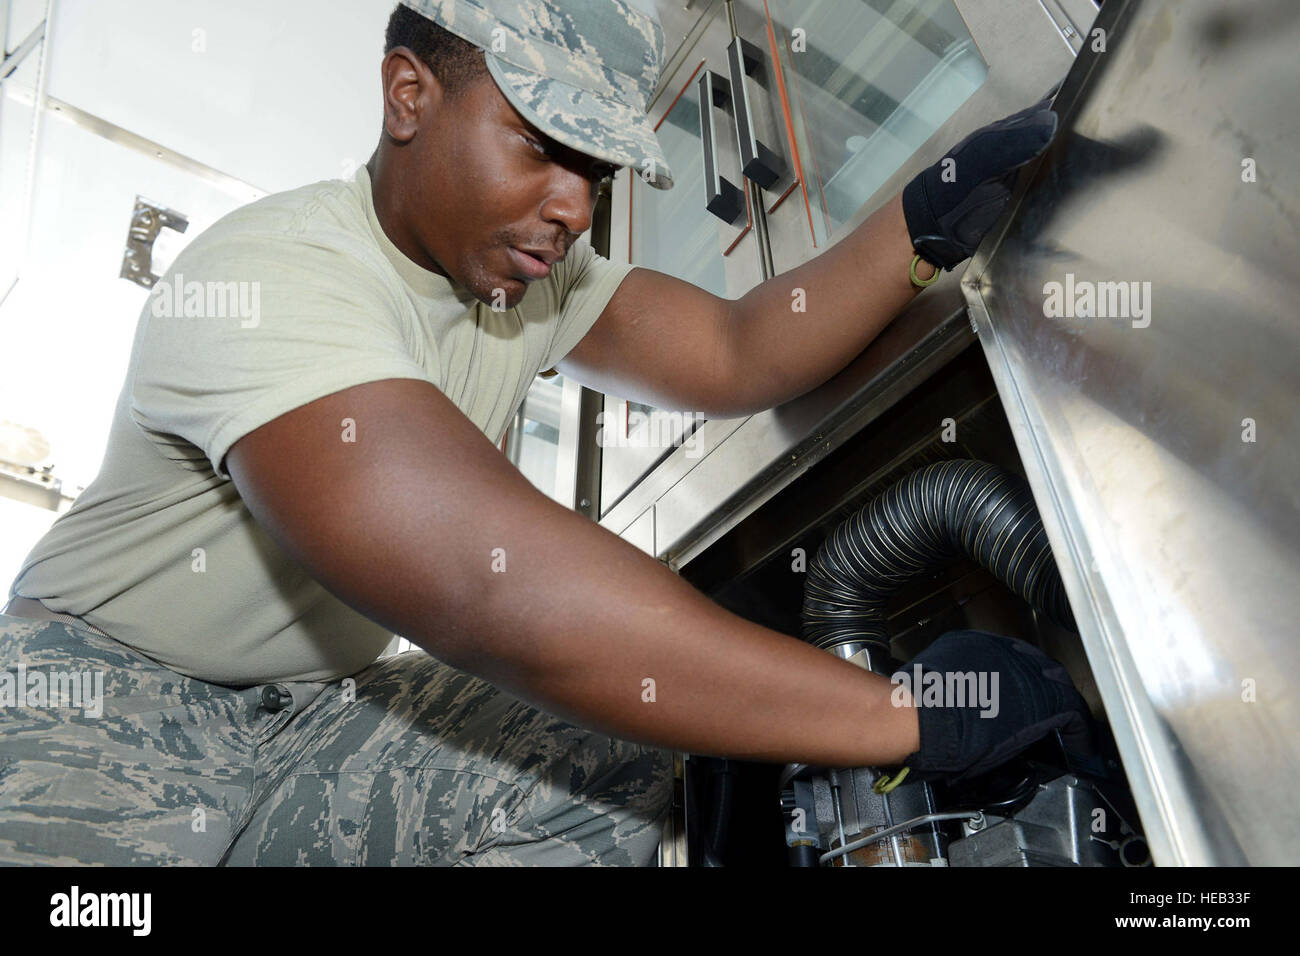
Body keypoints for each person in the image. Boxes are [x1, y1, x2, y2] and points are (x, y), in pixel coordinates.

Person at [0, 0, 1086, 866]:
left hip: (306, 716)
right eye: (542, 144)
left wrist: (918, 224)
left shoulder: (534, 280)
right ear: (408, 95)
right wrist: (906, 718)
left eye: (596, 173)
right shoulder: (273, 274)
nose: (572, 205)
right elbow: (493, 591)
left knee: (609, 746)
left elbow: (736, 349)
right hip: (104, 695)